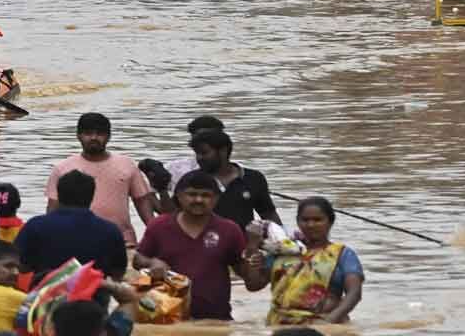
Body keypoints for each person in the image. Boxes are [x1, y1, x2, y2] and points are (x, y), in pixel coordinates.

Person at [134, 170, 266, 321]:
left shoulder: (229, 230)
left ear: (216, 199)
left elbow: (250, 282)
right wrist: (151, 262)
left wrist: (253, 248)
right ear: (179, 196)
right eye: (192, 194)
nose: (198, 199)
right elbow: (137, 259)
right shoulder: (159, 226)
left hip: (216, 320)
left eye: (206, 195)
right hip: (166, 317)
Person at [249, 197, 365, 326]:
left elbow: (354, 293)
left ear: (330, 222)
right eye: (305, 220)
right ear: (298, 222)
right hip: (279, 325)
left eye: (317, 220)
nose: (311, 225)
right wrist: (253, 247)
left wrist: (329, 321)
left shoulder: (343, 254)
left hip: (324, 324)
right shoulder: (281, 251)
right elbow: (254, 286)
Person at [45, 113, 155, 247]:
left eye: (99, 133)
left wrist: (156, 236)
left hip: (123, 242)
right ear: (78, 136)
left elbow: (142, 202)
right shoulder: (62, 169)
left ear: (108, 136)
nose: (94, 138)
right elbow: (53, 210)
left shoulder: (126, 165)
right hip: (76, 242)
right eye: (88, 133)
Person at [16, 170, 127, 287]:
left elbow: (22, 267)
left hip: (46, 297)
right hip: (94, 298)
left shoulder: (35, 225)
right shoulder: (110, 230)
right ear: (92, 196)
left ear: (58, 195)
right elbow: (118, 273)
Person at [162, 128, 280, 230]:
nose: (199, 158)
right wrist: (162, 190)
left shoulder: (253, 178)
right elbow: (171, 215)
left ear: (223, 151)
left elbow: (268, 214)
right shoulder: (191, 179)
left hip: (245, 247)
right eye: (197, 153)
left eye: (204, 153)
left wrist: (284, 241)